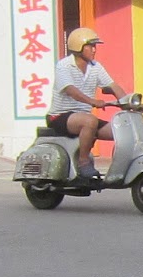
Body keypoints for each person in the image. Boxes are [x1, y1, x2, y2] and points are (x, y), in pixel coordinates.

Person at [47, 28, 125, 178]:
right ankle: (83, 162)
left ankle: (119, 167)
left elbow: (113, 85)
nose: (94, 50)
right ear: (78, 47)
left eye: (95, 46)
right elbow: (71, 90)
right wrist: (92, 101)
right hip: (60, 116)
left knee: (119, 130)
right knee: (90, 121)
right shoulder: (64, 66)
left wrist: (128, 101)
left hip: (83, 118)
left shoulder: (95, 67)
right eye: (90, 46)